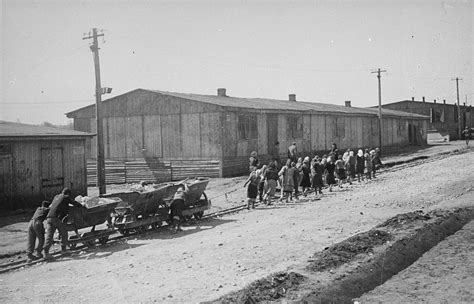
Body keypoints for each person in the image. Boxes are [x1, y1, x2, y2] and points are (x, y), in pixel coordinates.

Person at [43, 188, 84, 259]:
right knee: (64, 233)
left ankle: (46, 253)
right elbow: (74, 203)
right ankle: (64, 250)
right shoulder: (66, 197)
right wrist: (81, 205)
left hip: (49, 218)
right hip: (58, 218)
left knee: (49, 236)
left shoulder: (56, 197)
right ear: (68, 194)